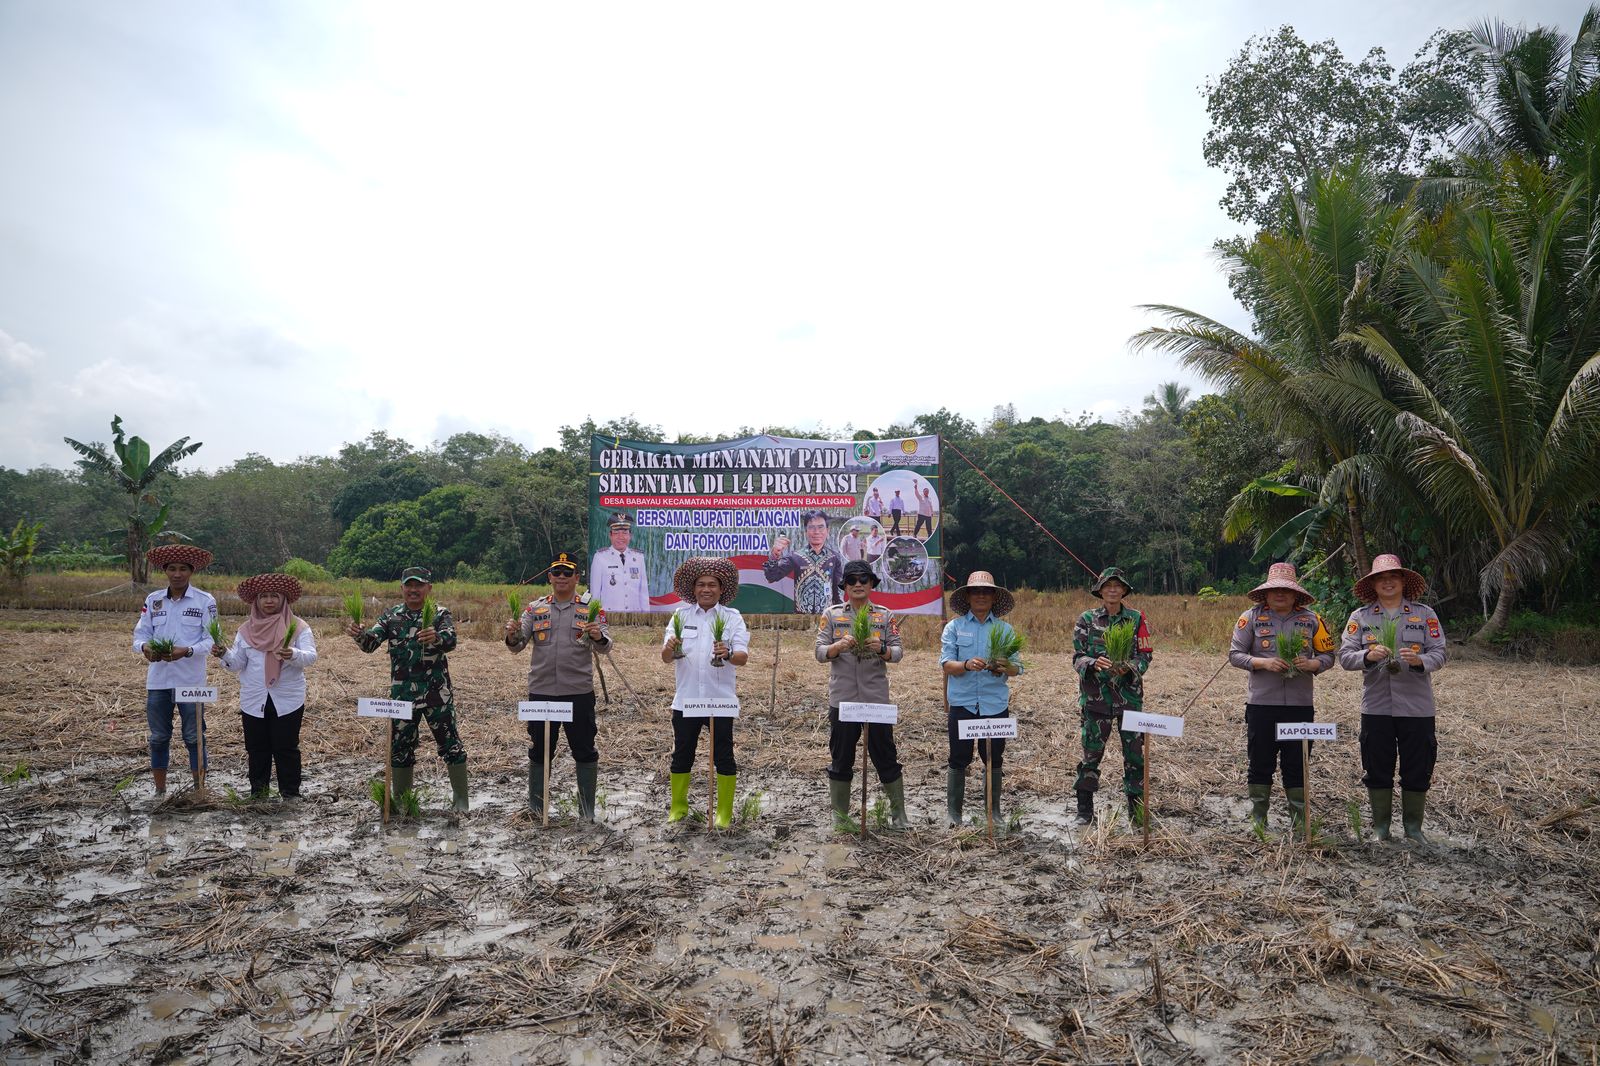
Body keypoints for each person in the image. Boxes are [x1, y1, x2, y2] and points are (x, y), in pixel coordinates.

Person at [1339, 554, 1447, 844]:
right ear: (1373, 584)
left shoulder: (1425, 615)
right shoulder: (1359, 618)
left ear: (1402, 582)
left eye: (1393, 577)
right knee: (1376, 766)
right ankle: (1381, 829)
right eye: (1380, 578)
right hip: (1376, 706)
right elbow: (1345, 657)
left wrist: (1419, 660)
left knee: (1418, 766)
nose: (1387, 582)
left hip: (1417, 706)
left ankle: (1413, 829)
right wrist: (1367, 656)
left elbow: (1440, 653)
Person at [346, 566, 470, 813]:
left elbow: (451, 641)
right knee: (400, 749)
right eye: (409, 585)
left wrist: (435, 637)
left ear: (429, 588)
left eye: (419, 585)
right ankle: (403, 803)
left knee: (451, 746)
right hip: (402, 697)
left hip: (437, 695)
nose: (414, 590)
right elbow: (371, 644)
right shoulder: (392, 616)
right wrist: (359, 635)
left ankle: (461, 802)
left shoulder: (439, 614)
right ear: (402, 588)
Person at [1227, 563, 1336, 831]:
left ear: (1295, 594)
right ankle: (1259, 820)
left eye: (1286, 590)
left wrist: (1314, 665)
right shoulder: (1250, 618)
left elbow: (1329, 655)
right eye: (1274, 589)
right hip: (1262, 705)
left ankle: (1299, 823)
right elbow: (1235, 654)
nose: (1280, 594)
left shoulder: (1312, 620)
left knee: (1297, 763)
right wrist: (1263, 663)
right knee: (1260, 761)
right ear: (1265, 593)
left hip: (1299, 706)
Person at [504, 551, 611, 821]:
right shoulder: (535, 608)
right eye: (556, 572)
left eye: (567, 573)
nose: (561, 577)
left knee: (584, 748)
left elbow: (606, 646)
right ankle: (537, 809)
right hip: (542, 692)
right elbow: (517, 647)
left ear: (577, 577)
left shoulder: (591, 609)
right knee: (540, 748)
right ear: (550, 576)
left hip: (578, 693)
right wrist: (511, 634)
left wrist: (598, 636)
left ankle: (586, 811)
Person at [816, 560, 907, 831]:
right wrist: (838, 646)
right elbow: (819, 652)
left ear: (871, 584)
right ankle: (841, 818)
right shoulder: (831, 615)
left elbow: (898, 653)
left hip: (876, 699)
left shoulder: (885, 616)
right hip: (842, 700)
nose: (858, 584)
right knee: (841, 756)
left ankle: (898, 816)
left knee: (885, 755)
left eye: (863, 580)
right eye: (852, 580)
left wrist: (881, 649)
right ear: (844, 585)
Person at [661, 557, 750, 828]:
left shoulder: (731, 617)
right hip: (686, 700)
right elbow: (665, 656)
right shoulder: (680, 616)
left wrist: (729, 653)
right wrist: (671, 647)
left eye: (712, 584)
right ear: (694, 588)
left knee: (724, 755)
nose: (706, 589)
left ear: (721, 589)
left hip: (719, 701)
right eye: (701, 584)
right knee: (682, 754)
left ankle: (722, 813)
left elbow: (743, 657)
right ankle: (678, 808)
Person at [214, 573, 317, 799]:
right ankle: (258, 793)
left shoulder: (298, 627)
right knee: (256, 748)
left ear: (283, 600)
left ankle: (290, 793)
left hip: (287, 698)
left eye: (274, 596)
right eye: (264, 597)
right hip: (254, 698)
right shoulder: (245, 630)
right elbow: (238, 663)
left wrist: (292, 654)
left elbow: (310, 657)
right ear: (256, 601)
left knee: (286, 748)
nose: (269, 601)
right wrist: (224, 654)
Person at [1070, 567, 1154, 827]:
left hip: (1129, 700)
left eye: (1118, 586)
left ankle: (1136, 810)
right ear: (1100, 591)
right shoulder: (1086, 619)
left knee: (1135, 755)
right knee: (1091, 754)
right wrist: (1095, 663)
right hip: (1096, 700)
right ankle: (1084, 810)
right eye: (1108, 586)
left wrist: (1129, 667)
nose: (1113, 590)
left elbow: (1145, 655)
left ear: (1124, 590)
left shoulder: (1137, 619)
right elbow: (1077, 658)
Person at [132, 543, 218, 794]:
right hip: (158, 681)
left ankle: (199, 790)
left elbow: (212, 639)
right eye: (172, 569)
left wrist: (187, 650)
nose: (177, 574)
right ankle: (160, 792)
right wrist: (145, 647)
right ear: (165, 571)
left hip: (192, 681)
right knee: (159, 738)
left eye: (182, 569)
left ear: (191, 571)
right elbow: (139, 635)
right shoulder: (153, 600)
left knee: (194, 737)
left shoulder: (205, 601)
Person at [939, 572, 1022, 827]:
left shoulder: (1005, 630)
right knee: (958, 758)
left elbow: (1017, 668)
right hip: (962, 703)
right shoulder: (954, 627)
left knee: (993, 758)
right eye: (976, 591)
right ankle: (954, 813)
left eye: (986, 591)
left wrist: (1002, 665)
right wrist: (965, 664)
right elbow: (946, 664)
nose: (981, 596)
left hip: (994, 704)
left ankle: (993, 813)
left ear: (994, 597)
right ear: (968, 596)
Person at [763, 510, 844, 614]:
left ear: (827, 530)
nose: (816, 532)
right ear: (806, 531)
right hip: (800, 619)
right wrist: (774, 555)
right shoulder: (795, 556)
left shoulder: (834, 557)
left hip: (826, 617)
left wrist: (840, 614)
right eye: (811, 527)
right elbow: (771, 577)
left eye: (820, 527)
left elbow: (839, 591)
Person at [591, 512, 650, 612]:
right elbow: (595, 594)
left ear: (630, 535)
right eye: (616, 533)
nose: (620, 537)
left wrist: (646, 618)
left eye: (624, 533)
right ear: (610, 535)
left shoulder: (639, 557)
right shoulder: (600, 557)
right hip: (609, 617)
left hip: (635, 619)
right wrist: (595, 619)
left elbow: (643, 592)